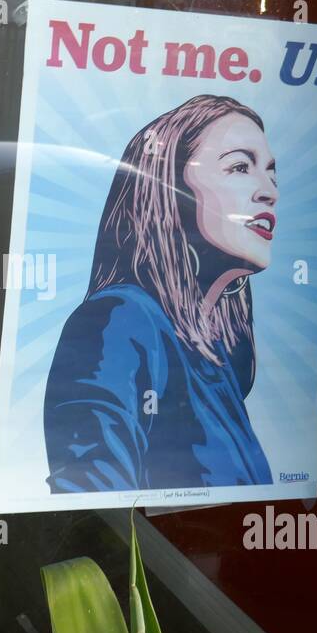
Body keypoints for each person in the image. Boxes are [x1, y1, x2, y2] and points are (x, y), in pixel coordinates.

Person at [44, 95, 278, 493]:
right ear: (169, 188)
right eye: (240, 166)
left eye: (273, 173)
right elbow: (93, 508)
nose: (268, 191)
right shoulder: (118, 320)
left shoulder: (218, 358)